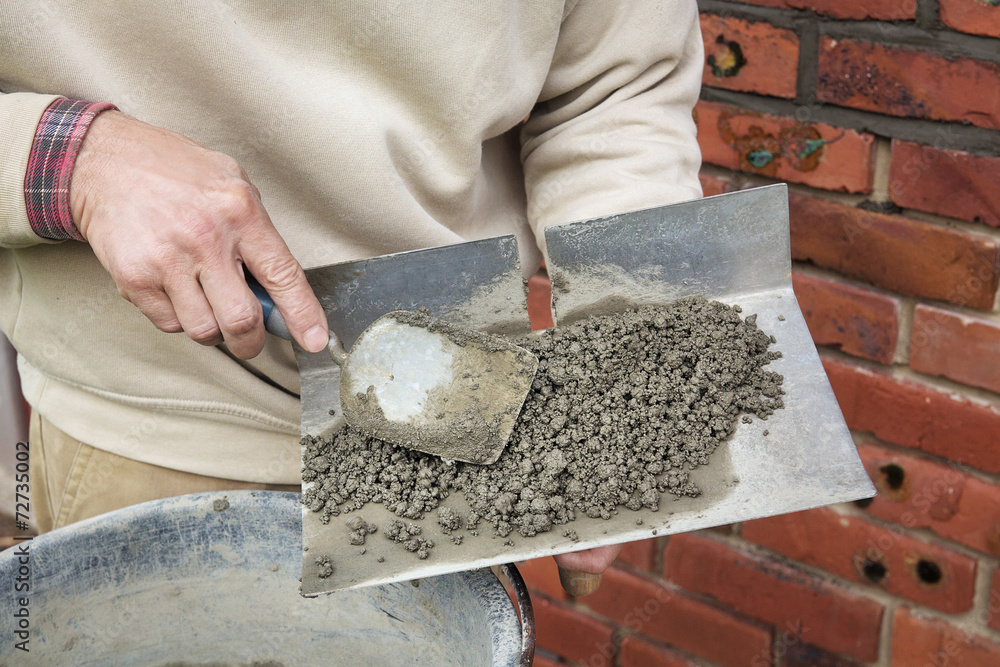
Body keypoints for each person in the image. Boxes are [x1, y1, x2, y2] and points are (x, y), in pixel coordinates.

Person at [0, 1, 704, 576]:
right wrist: (73, 159)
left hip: (455, 440)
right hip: (162, 442)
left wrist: (634, 352)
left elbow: (614, 92)